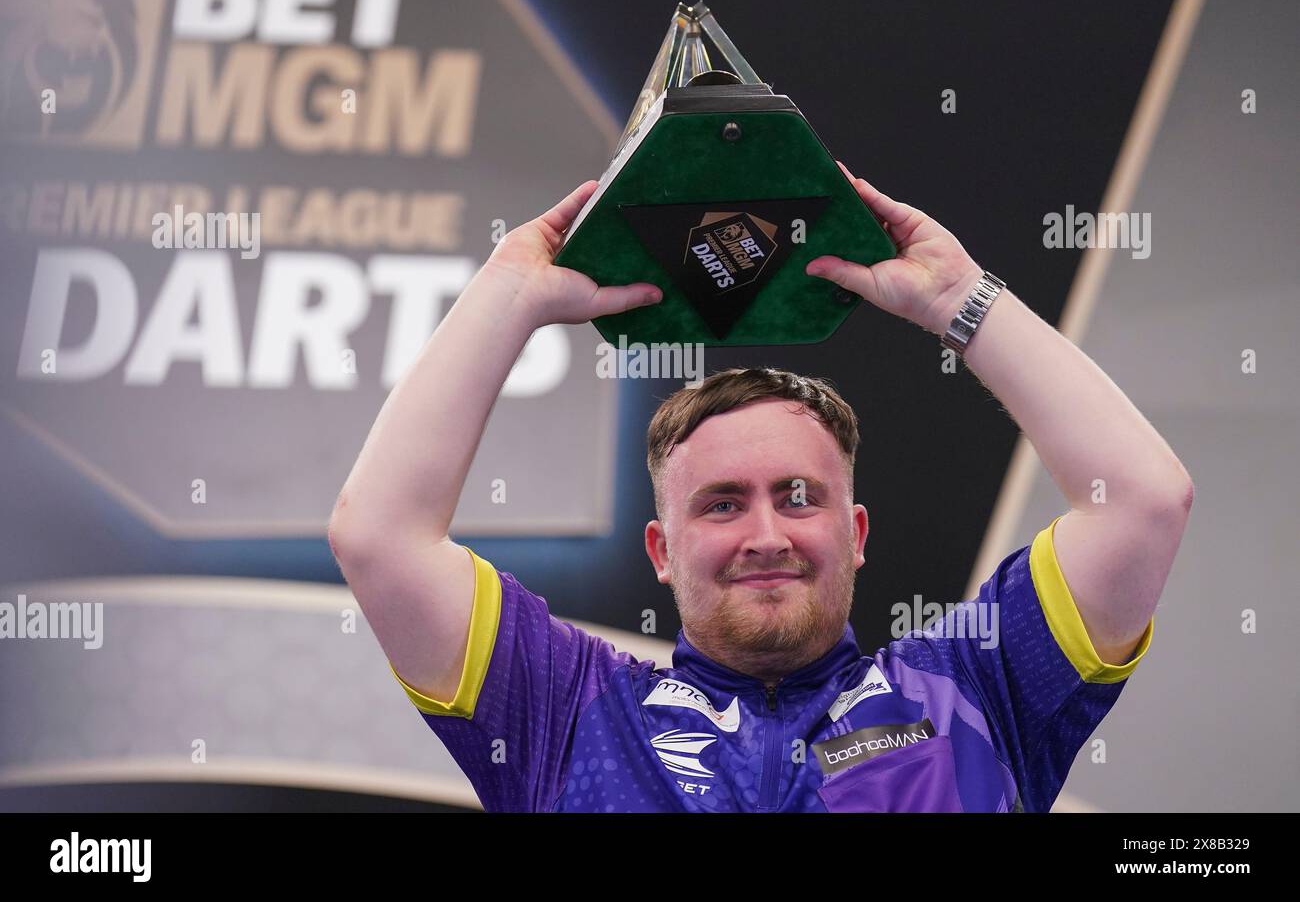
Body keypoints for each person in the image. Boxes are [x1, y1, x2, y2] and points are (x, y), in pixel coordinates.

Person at [328, 164, 1193, 812]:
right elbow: (379, 536)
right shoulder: (563, 707)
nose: (768, 533)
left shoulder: (976, 691)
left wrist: (959, 300)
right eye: (722, 503)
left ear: (856, 532)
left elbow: (1146, 500)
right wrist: (508, 293)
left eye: (800, 496)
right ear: (661, 551)